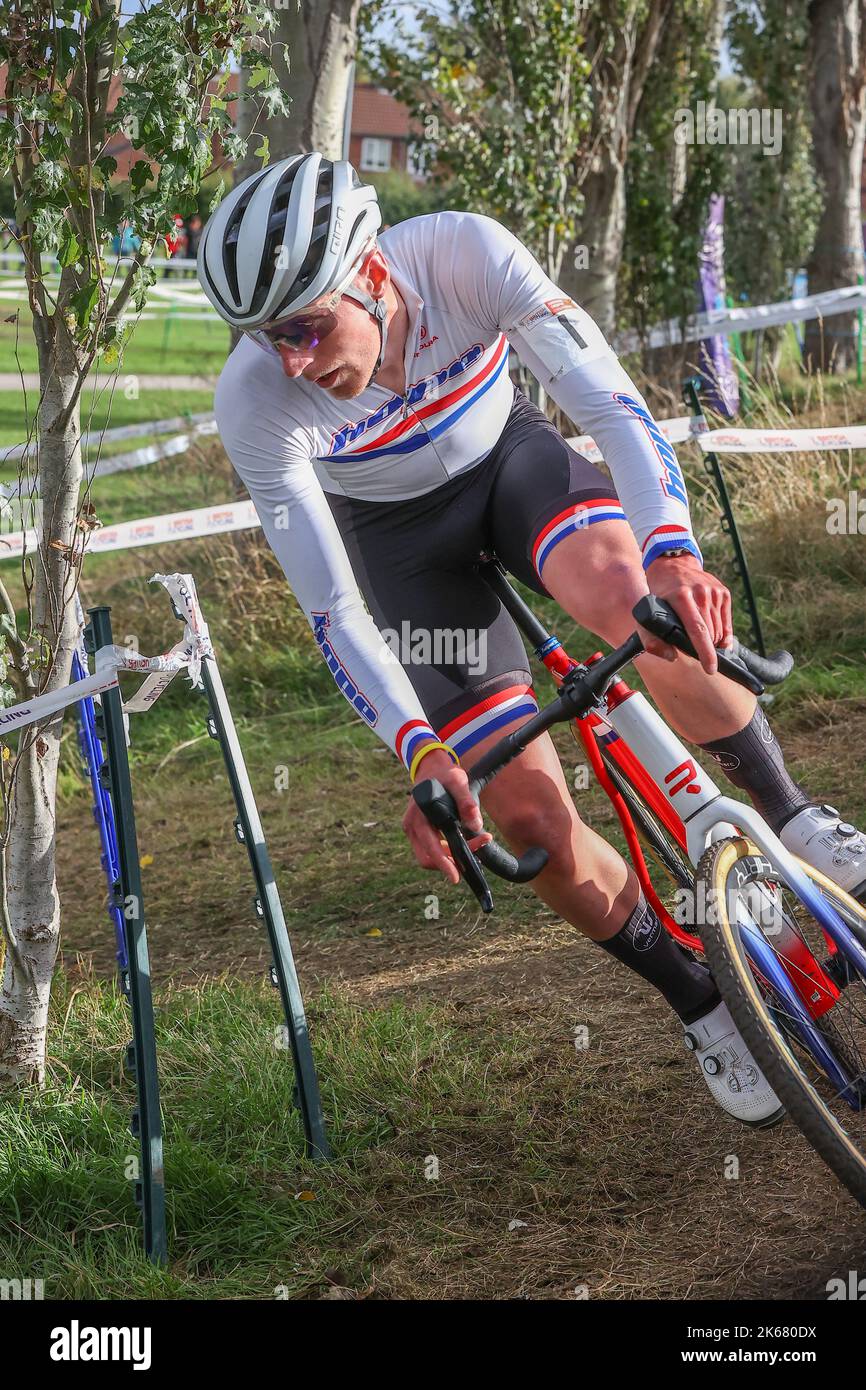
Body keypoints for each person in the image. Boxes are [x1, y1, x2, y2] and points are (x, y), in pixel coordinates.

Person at [198, 153, 866, 1128]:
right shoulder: (255, 399)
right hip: (401, 550)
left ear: (370, 274)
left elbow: (608, 405)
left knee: (627, 596)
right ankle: (703, 1004)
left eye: (304, 325)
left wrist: (671, 553)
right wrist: (417, 748)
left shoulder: (462, 254)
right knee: (525, 821)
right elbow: (336, 611)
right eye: (266, 336)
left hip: (511, 461)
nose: (291, 361)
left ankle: (792, 813)